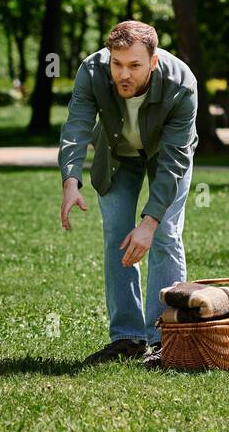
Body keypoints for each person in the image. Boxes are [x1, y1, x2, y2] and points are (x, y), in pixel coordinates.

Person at [58, 20, 198, 370]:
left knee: (165, 234)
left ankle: (162, 338)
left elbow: (174, 161)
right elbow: (77, 125)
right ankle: (127, 338)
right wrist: (70, 180)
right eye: (117, 64)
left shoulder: (181, 83)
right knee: (116, 236)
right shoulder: (91, 71)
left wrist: (149, 221)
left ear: (153, 62)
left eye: (134, 65)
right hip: (118, 154)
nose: (123, 73)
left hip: (166, 156)